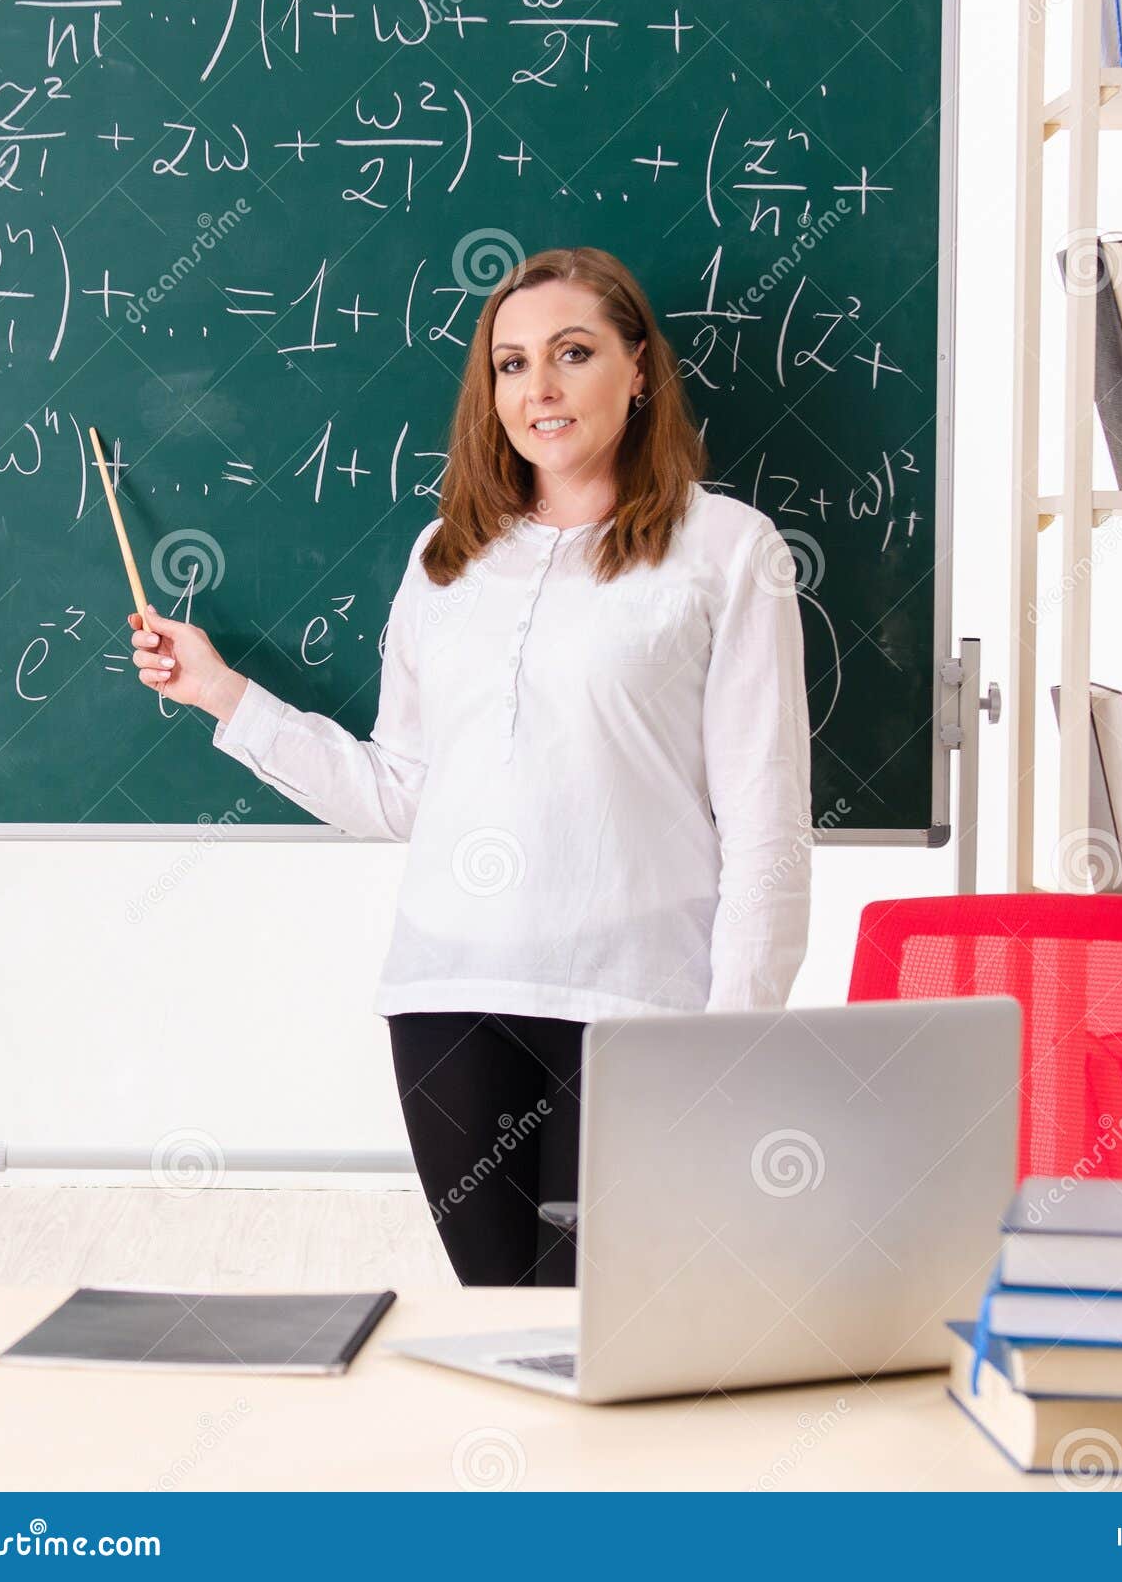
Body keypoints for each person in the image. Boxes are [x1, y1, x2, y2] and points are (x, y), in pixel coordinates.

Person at [126, 246, 813, 1287]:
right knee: (495, 1320)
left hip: (640, 1005)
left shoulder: (725, 548)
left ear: (637, 370)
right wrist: (222, 692)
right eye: (510, 364)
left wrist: (734, 1035)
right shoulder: (445, 556)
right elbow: (401, 791)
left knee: (595, 1320)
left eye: (572, 353)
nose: (539, 389)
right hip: (448, 998)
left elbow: (766, 822)